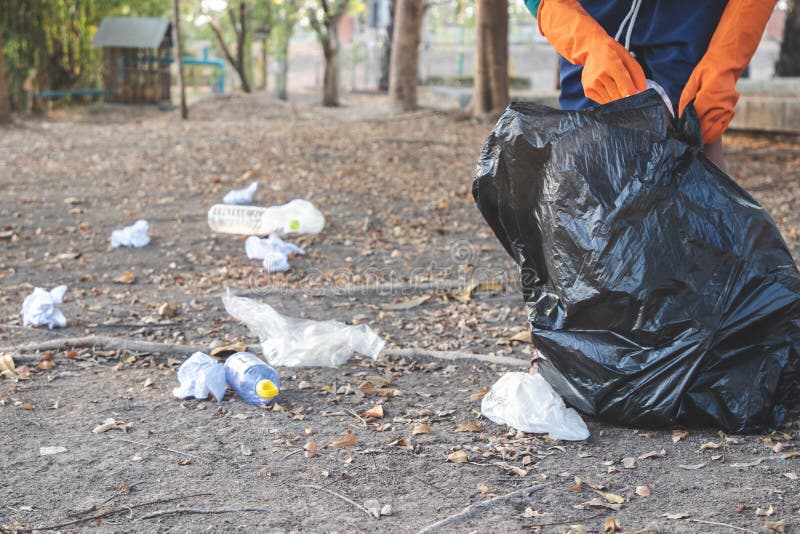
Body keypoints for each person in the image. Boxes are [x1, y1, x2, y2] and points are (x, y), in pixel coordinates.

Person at [524, 0, 777, 171]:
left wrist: (725, 59)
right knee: (589, 141)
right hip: (593, 10)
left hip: (689, 10)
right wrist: (582, 41)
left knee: (691, 125)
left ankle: (705, 244)